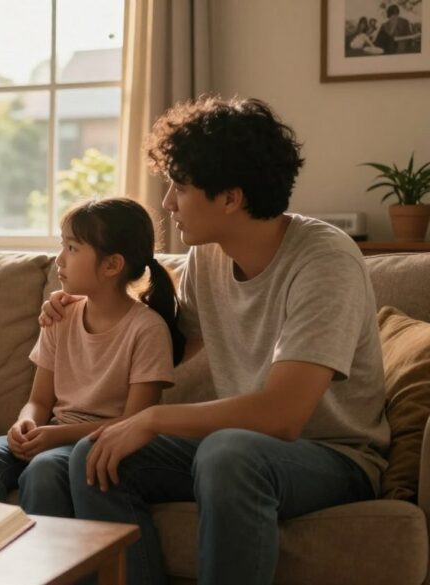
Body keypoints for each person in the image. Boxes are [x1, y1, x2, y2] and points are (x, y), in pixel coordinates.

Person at [40, 96, 388, 585]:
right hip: (237, 448)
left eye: (179, 188)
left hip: (334, 456)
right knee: (96, 453)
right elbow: (166, 344)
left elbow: (284, 416)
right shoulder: (209, 258)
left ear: (231, 198)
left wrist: (153, 418)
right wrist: (81, 308)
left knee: (228, 452)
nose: (166, 203)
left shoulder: (325, 261)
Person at [0, 198, 180, 518]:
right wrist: (25, 422)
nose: (60, 259)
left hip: (103, 443)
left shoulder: (147, 330)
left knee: (43, 470)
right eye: (63, 246)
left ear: (112, 265)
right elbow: (39, 400)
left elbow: (134, 424)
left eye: (72, 248)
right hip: (54, 433)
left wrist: (53, 436)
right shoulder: (61, 315)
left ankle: (49, 569)